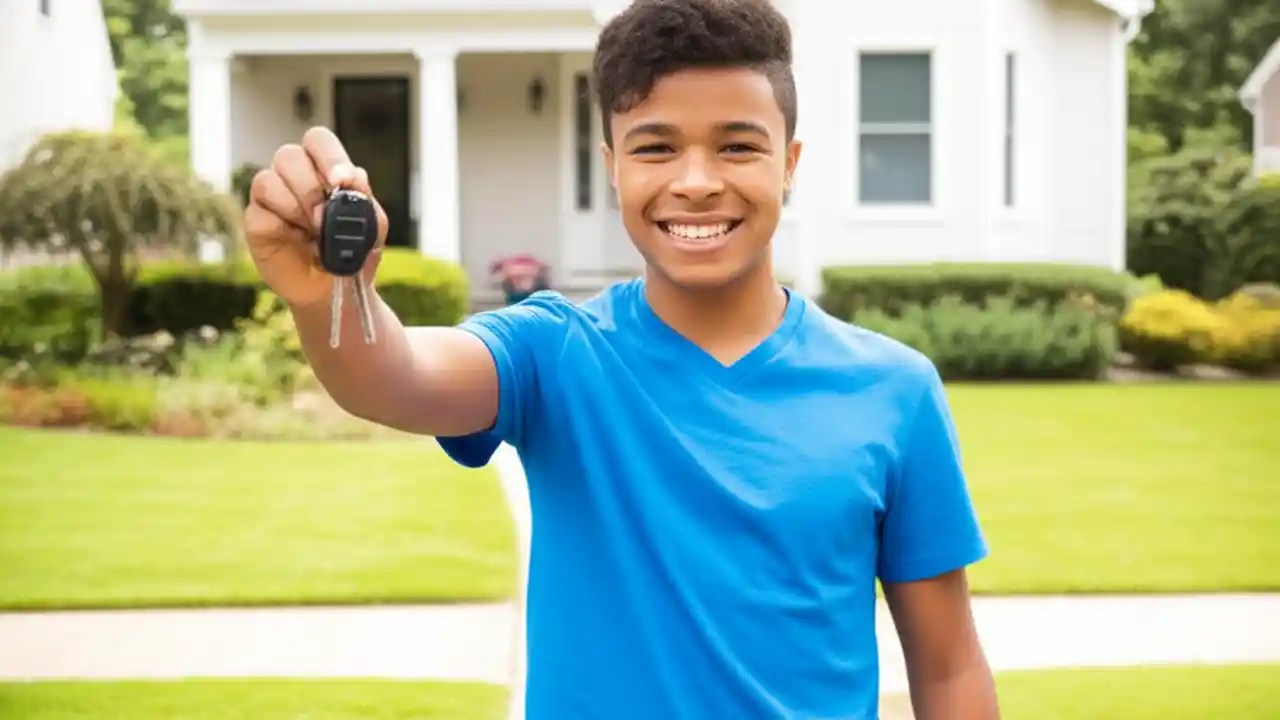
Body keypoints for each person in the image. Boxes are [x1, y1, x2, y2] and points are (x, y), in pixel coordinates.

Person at [243, 0, 1000, 717]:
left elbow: (948, 665)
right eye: (656, 147)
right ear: (613, 163)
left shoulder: (893, 391)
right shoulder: (554, 352)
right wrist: (323, 297)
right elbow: (393, 376)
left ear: (790, 163)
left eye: (737, 145)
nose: (696, 182)